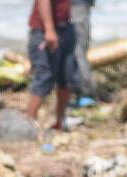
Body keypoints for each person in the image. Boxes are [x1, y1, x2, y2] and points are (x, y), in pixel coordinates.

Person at [27, 0, 76, 132]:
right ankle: (29, 124)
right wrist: (49, 29)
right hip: (45, 31)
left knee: (67, 76)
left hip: (65, 27)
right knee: (44, 77)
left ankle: (60, 122)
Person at [71, 0, 95, 107]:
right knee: (77, 52)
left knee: (78, 52)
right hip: (77, 7)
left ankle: (86, 94)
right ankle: (81, 92)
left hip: (77, 6)